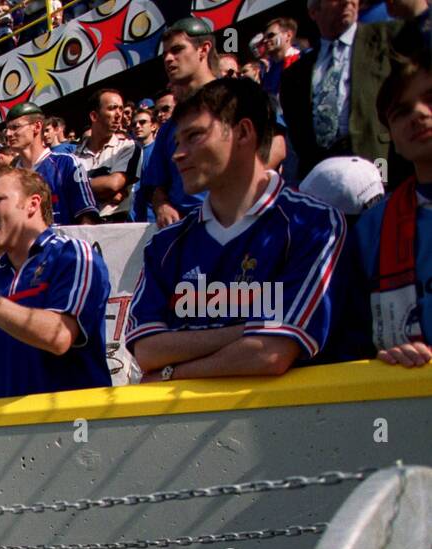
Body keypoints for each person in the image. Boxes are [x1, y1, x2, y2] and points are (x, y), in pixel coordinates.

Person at [125, 78, 349, 380]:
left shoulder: (312, 224)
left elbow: (270, 353)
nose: (178, 154)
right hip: (183, 424)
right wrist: (248, 330)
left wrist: (170, 373)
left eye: (194, 137)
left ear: (243, 132)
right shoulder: (166, 244)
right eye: (178, 142)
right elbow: (148, 350)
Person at [0, 171, 112, 399]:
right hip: (10, 427)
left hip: (72, 425)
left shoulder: (71, 254)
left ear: (32, 204)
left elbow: (59, 336)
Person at [278, 0, 428, 181]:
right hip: (325, 184)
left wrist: (418, 8)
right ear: (314, 11)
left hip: (381, 168)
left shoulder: (388, 37)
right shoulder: (294, 75)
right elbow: (299, 139)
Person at [355, 51, 432, 366]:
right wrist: (381, 359)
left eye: (430, 98)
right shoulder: (372, 227)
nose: (418, 114)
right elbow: (354, 336)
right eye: (400, 112)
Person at [140, 18, 220, 227]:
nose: (168, 59)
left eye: (177, 50)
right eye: (165, 53)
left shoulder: (240, 98)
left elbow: (274, 149)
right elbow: (157, 185)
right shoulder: (169, 127)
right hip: (189, 228)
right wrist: (162, 206)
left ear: (203, 49)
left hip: (237, 221)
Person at [3, 102, 98, 224]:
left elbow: (86, 215)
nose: (8, 134)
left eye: (15, 127)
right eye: (7, 129)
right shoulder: (10, 175)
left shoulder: (66, 163)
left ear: (37, 127)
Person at [75, 88, 141, 221]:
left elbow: (113, 184)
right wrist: (105, 192)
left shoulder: (128, 147)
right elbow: (64, 191)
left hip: (115, 226)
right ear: (94, 116)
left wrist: (76, 188)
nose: (119, 114)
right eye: (112, 108)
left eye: (121, 109)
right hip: (82, 228)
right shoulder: (73, 157)